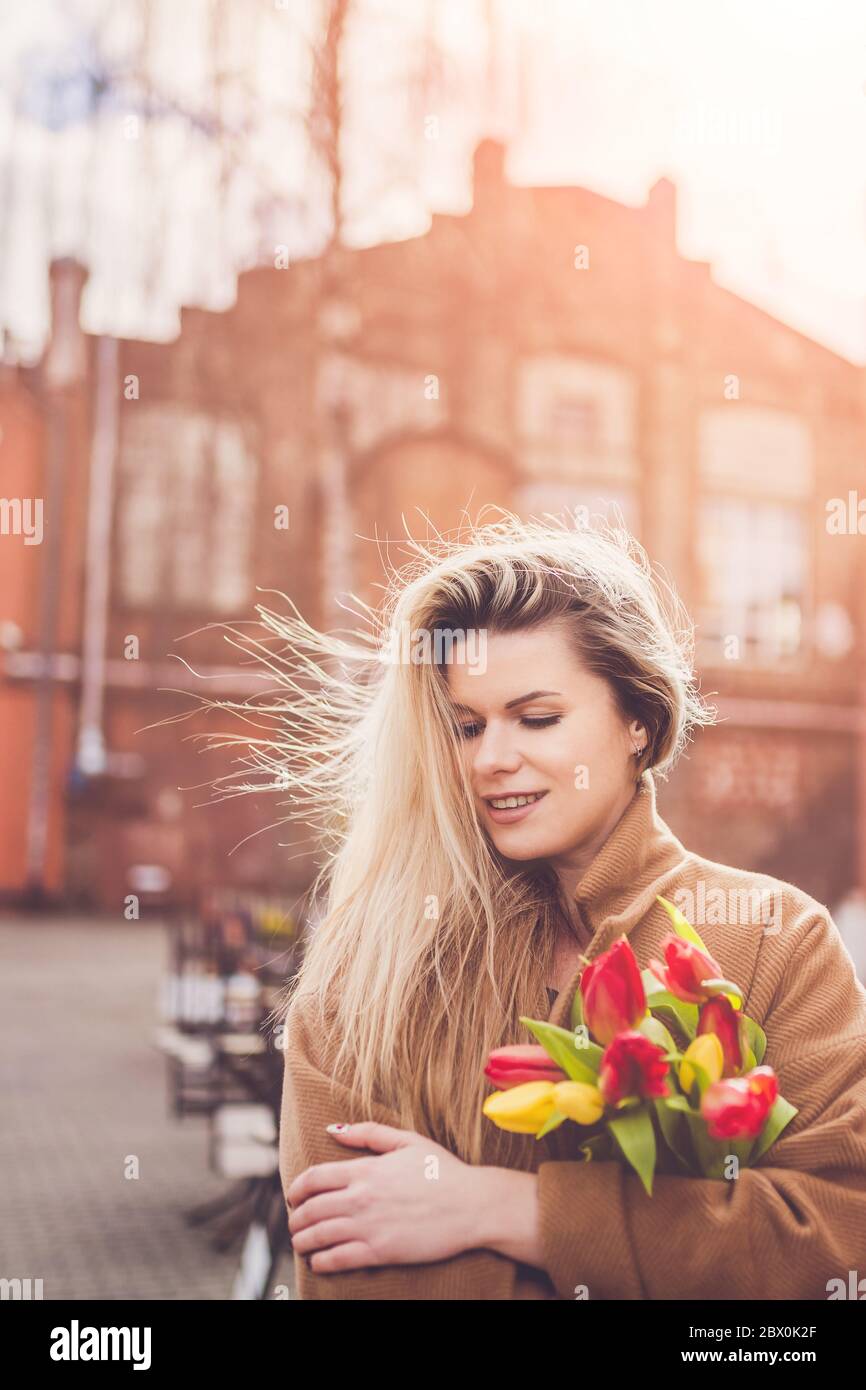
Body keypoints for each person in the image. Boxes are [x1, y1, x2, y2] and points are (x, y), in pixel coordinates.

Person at [263, 511, 866, 1299]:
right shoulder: (373, 965)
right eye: (467, 725)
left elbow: (834, 1241)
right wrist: (681, 1236)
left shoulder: (778, 940)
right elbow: (352, 1262)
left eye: (537, 718)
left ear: (639, 725)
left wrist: (511, 1211)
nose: (493, 758)